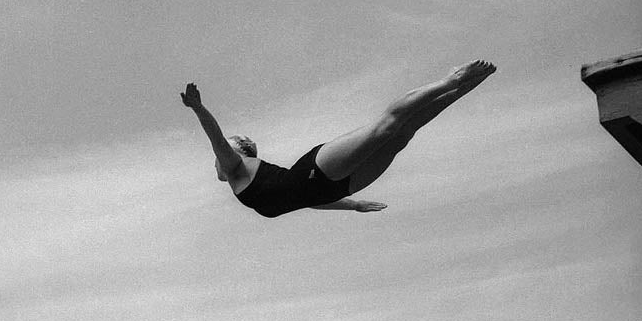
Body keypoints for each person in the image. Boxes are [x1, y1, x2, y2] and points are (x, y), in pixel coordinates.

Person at [180, 60, 496, 218]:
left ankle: (449, 80)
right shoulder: (245, 185)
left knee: (385, 128)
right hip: (335, 188)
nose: (217, 159)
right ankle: (461, 91)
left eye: (225, 150)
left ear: (239, 152)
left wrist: (198, 108)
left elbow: (215, 136)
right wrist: (355, 205)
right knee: (401, 138)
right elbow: (306, 202)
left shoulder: (236, 168)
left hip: (314, 171)